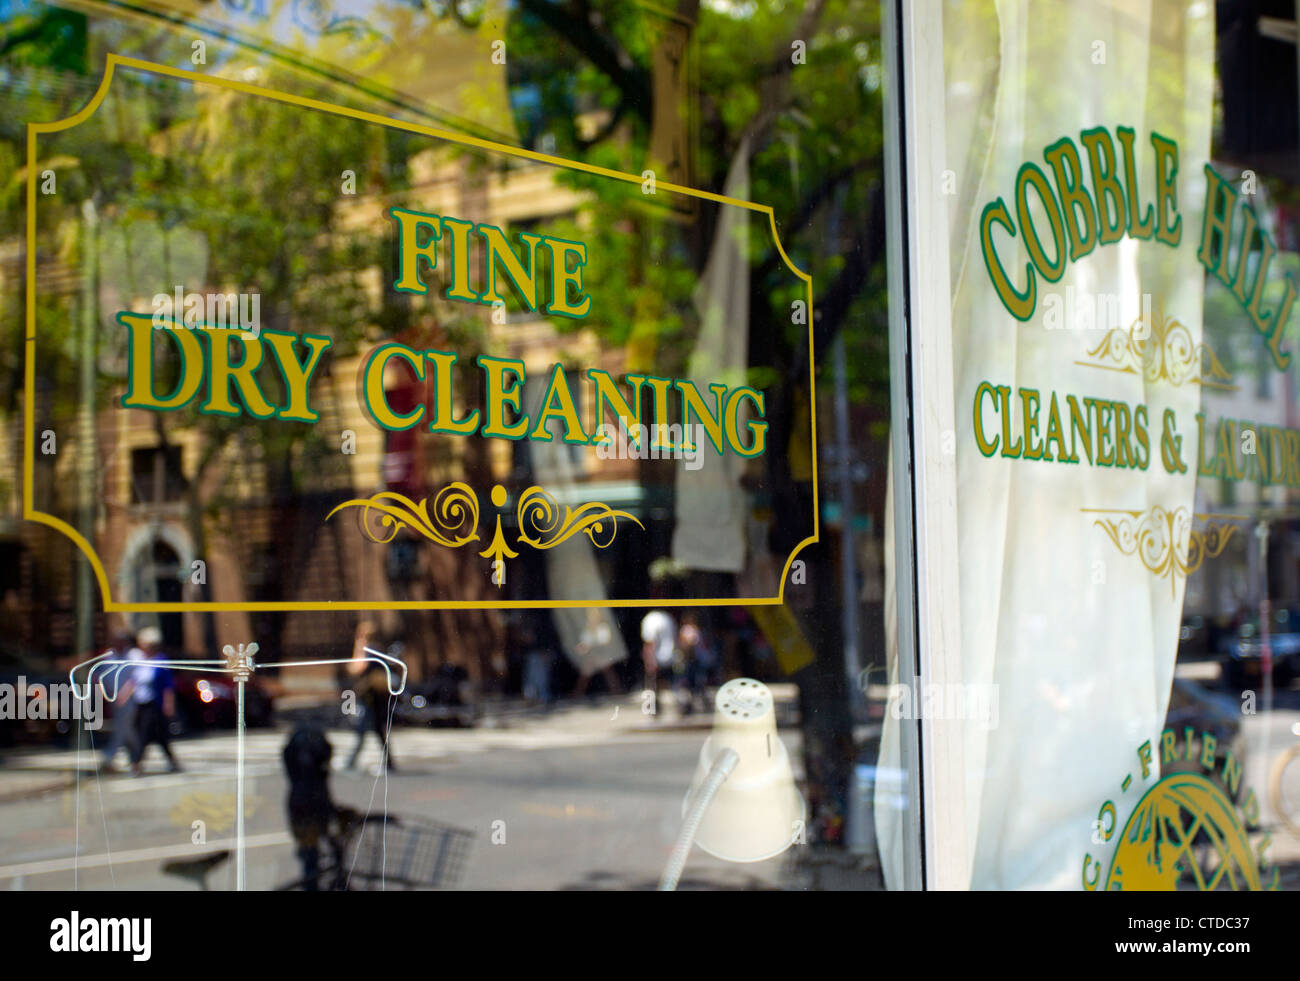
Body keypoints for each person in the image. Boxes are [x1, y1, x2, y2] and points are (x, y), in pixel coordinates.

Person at [283, 721, 345, 890]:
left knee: (311, 853)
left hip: (301, 805)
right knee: (317, 852)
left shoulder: (292, 754)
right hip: (315, 804)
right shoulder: (317, 760)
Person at [128, 626, 182, 776]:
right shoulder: (138, 659)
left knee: (143, 734)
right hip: (141, 703)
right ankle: (172, 761)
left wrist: (169, 704)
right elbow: (133, 681)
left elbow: (167, 685)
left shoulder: (160, 660)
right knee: (159, 736)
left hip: (154, 704)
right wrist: (124, 695)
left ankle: (136, 763)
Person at [346, 621, 395, 771]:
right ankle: (389, 763)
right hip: (375, 695)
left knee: (363, 729)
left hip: (370, 696)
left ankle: (350, 762)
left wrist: (358, 647)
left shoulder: (370, 650)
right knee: (377, 730)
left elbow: (355, 668)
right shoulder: (377, 649)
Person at [100, 630, 141, 773]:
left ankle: (108, 757)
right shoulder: (109, 656)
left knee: (121, 728)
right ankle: (137, 756)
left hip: (130, 700)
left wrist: (124, 694)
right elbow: (103, 677)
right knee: (127, 730)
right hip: (114, 699)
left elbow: (136, 678)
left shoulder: (134, 655)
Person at [572, 608, 622, 698]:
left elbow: (605, 641)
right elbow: (585, 643)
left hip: (601, 654)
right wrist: (582, 648)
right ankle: (577, 694)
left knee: (609, 674)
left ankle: (617, 691)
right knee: (585, 675)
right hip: (591, 656)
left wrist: (591, 646)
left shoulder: (603, 627)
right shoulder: (588, 628)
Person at [640, 608, 677, 696]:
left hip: (658, 660)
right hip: (671, 658)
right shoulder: (668, 617)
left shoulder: (650, 619)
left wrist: (650, 662)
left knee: (654, 691)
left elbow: (650, 643)